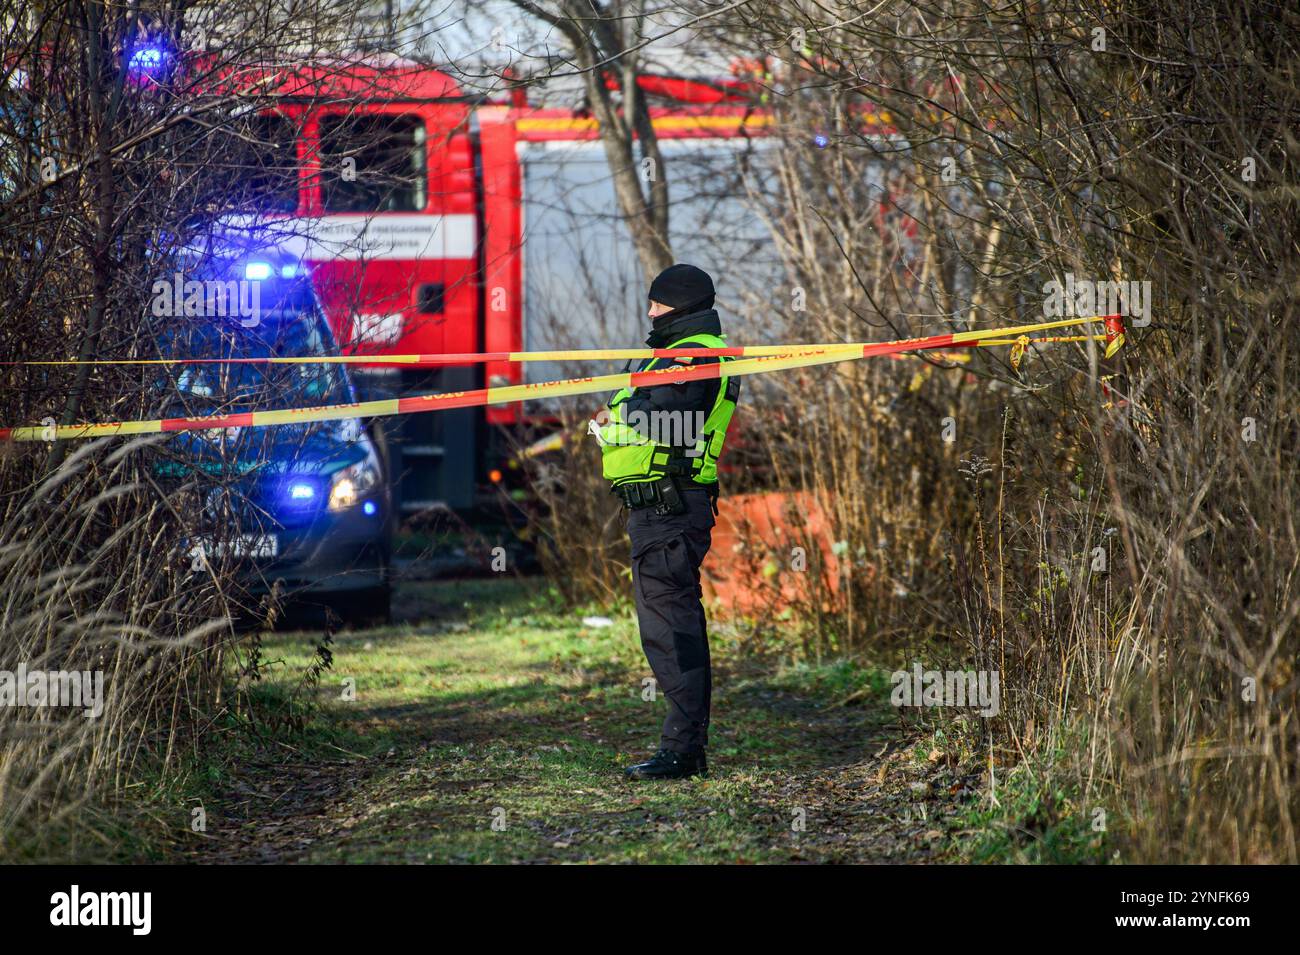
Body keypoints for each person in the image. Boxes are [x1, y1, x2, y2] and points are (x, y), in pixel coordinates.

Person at [597, 263, 741, 781]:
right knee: (667, 626)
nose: (650, 312)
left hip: (671, 509)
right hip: (659, 509)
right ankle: (684, 745)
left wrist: (621, 413)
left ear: (677, 307)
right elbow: (648, 413)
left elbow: (670, 421)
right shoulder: (676, 357)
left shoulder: (696, 359)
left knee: (670, 628)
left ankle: (683, 750)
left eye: (657, 304)